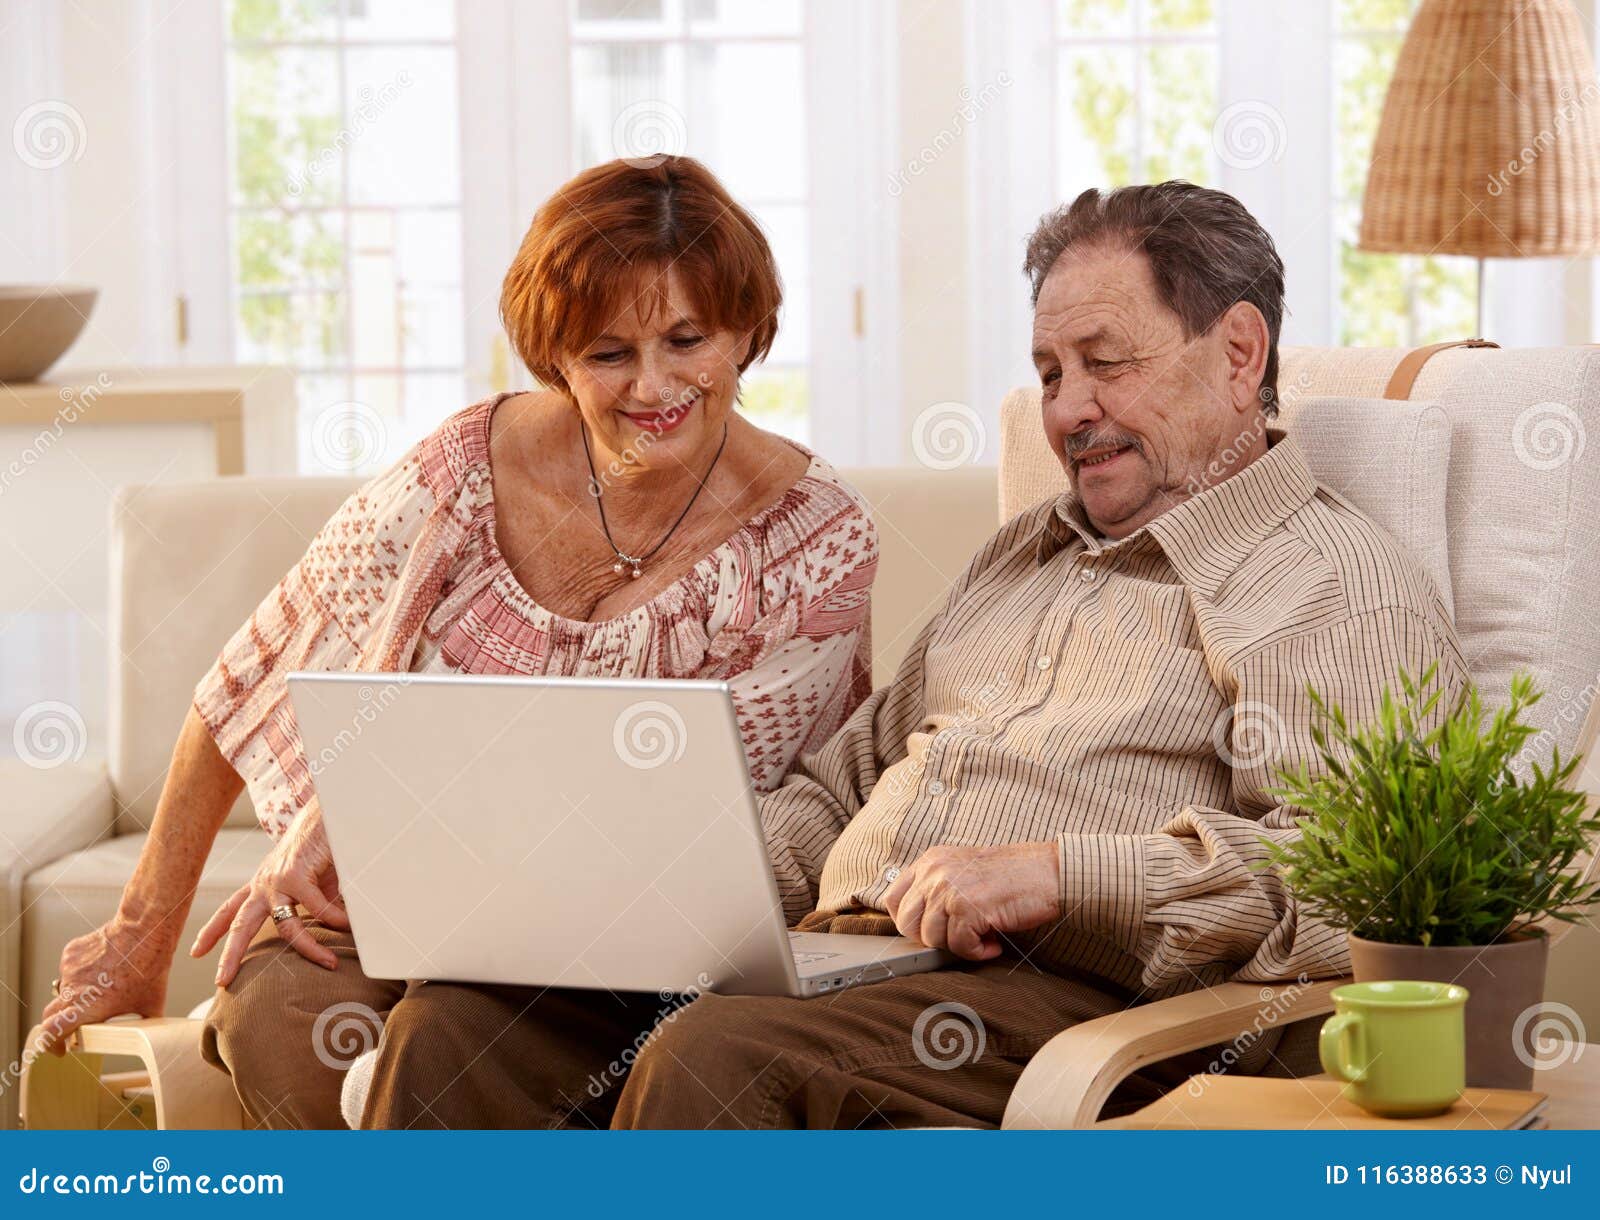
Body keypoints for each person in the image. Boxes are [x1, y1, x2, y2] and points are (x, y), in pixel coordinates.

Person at [356, 181, 1468, 1130]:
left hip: (1063, 1001)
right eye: (1047, 372)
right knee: (464, 1019)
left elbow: (1352, 883)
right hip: (842, 958)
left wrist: (1054, 874)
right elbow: (842, 781)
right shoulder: (1021, 556)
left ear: (1238, 351)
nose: (1068, 410)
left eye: (1104, 363)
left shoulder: (1328, 579)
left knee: (718, 1058)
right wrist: (662, 884)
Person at [31, 156, 880, 1131]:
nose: (653, 385)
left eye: (687, 339)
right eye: (607, 352)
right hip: (381, 892)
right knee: (283, 1018)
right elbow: (251, 674)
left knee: (449, 1039)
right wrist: (139, 935)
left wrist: (380, 806)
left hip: (624, 953)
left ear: (744, 332)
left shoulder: (814, 539)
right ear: (556, 354)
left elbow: (720, 823)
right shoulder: (463, 468)